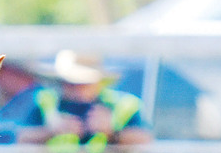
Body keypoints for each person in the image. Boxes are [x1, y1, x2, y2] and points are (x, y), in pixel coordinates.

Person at [10, 50, 152, 147]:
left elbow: (146, 141)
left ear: (98, 81)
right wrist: (50, 131)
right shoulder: (45, 102)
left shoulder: (124, 105)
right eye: (71, 83)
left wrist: (113, 132)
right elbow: (21, 139)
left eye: (84, 83)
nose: (78, 90)